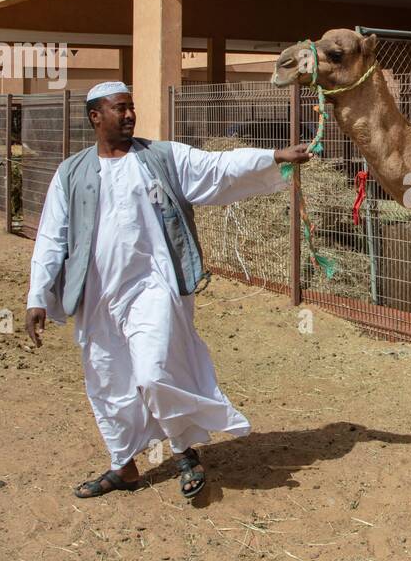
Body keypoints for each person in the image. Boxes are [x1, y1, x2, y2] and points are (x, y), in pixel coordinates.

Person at [24, 81, 310, 499]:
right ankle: (123, 466)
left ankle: (183, 451)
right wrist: (38, 296)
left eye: (131, 108)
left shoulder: (161, 157)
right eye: (119, 109)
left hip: (155, 287)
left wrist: (273, 157)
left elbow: (218, 167)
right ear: (95, 116)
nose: (129, 115)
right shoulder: (72, 173)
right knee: (109, 381)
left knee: (155, 372)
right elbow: (52, 236)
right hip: (97, 296)